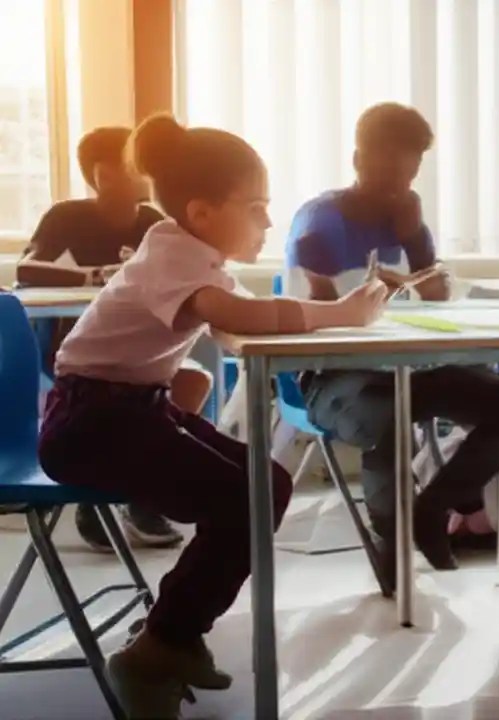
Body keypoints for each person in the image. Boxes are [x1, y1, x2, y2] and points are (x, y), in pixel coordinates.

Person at [37, 114, 389, 718]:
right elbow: (235, 313)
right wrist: (338, 316)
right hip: (91, 423)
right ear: (202, 213)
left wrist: (323, 312)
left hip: (129, 410)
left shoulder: (190, 254)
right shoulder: (175, 255)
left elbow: (237, 308)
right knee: (244, 499)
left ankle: (177, 632)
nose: (268, 221)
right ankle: (157, 649)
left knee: (267, 485)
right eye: (255, 207)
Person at [285, 102, 499, 585]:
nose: (399, 183)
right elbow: (325, 306)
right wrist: (402, 283)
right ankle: (392, 539)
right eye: (387, 168)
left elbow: (437, 291)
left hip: (406, 366)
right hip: (329, 376)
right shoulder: (319, 221)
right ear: (358, 159)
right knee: (390, 416)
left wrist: (412, 246)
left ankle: (433, 508)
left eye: (410, 169)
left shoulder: (406, 217)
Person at [19, 126, 206, 552]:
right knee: (118, 404)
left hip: (142, 357)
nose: (143, 171)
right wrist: (98, 275)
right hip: (78, 356)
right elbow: (28, 270)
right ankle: (98, 491)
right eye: (129, 163)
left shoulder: (153, 222)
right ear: (101, 174)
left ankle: (142, 493)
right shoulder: (67, 216)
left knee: (193, 380)